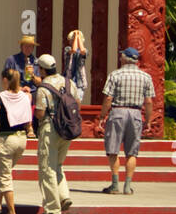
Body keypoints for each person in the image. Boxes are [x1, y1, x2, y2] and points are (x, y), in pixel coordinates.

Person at [99, 46, 155, 194]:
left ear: (125, 58)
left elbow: (108, 98)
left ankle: (115, 184)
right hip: (136, 113)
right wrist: (148, 121)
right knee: (132, 152)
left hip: (118, 111)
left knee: (113, 150)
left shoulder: (115, 75)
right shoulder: (146, 77)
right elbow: (149, 102)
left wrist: (102, 115)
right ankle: (128, 186)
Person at [0, 68, 35, 214]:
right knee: (3, 171)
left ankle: (12, 212)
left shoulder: (0, 97)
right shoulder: (25, 96)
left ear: (5, 80)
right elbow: (28, 119)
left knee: (5, 176)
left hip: (6, 138)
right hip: (21, 139)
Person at [33, 54, 72, 214]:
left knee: (47, 168)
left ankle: (53, 209)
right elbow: (75, 100)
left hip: (50, 128)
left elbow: (41, 113)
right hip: (67, 128)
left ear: (42, 69)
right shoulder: (68, 82)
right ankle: (63, 196)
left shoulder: (43, 88)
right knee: (58, 164)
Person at [62, 29, 89, 101]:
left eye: (72, 39)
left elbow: (82, 51)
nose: (71, 41)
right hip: (68, 80)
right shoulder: (67, 49)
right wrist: (77, 36)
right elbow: (73, 50)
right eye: (71, 39)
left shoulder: (85, 50)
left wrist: (77, 36)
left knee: (77, 103)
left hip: (79, 82)